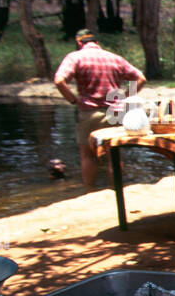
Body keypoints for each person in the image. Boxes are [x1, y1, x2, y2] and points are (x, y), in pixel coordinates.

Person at [53, 29, 146, 187]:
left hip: (89, 112)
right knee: (114, 155)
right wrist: (123, 96)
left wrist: (73, 100)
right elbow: (141, 78)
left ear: (79, 42)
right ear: (97, 42)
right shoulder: (114, 58)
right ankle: (117, 190)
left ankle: (90, 191)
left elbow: (59, 81)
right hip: (115, 113)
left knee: (87, 155)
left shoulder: (75, 57)